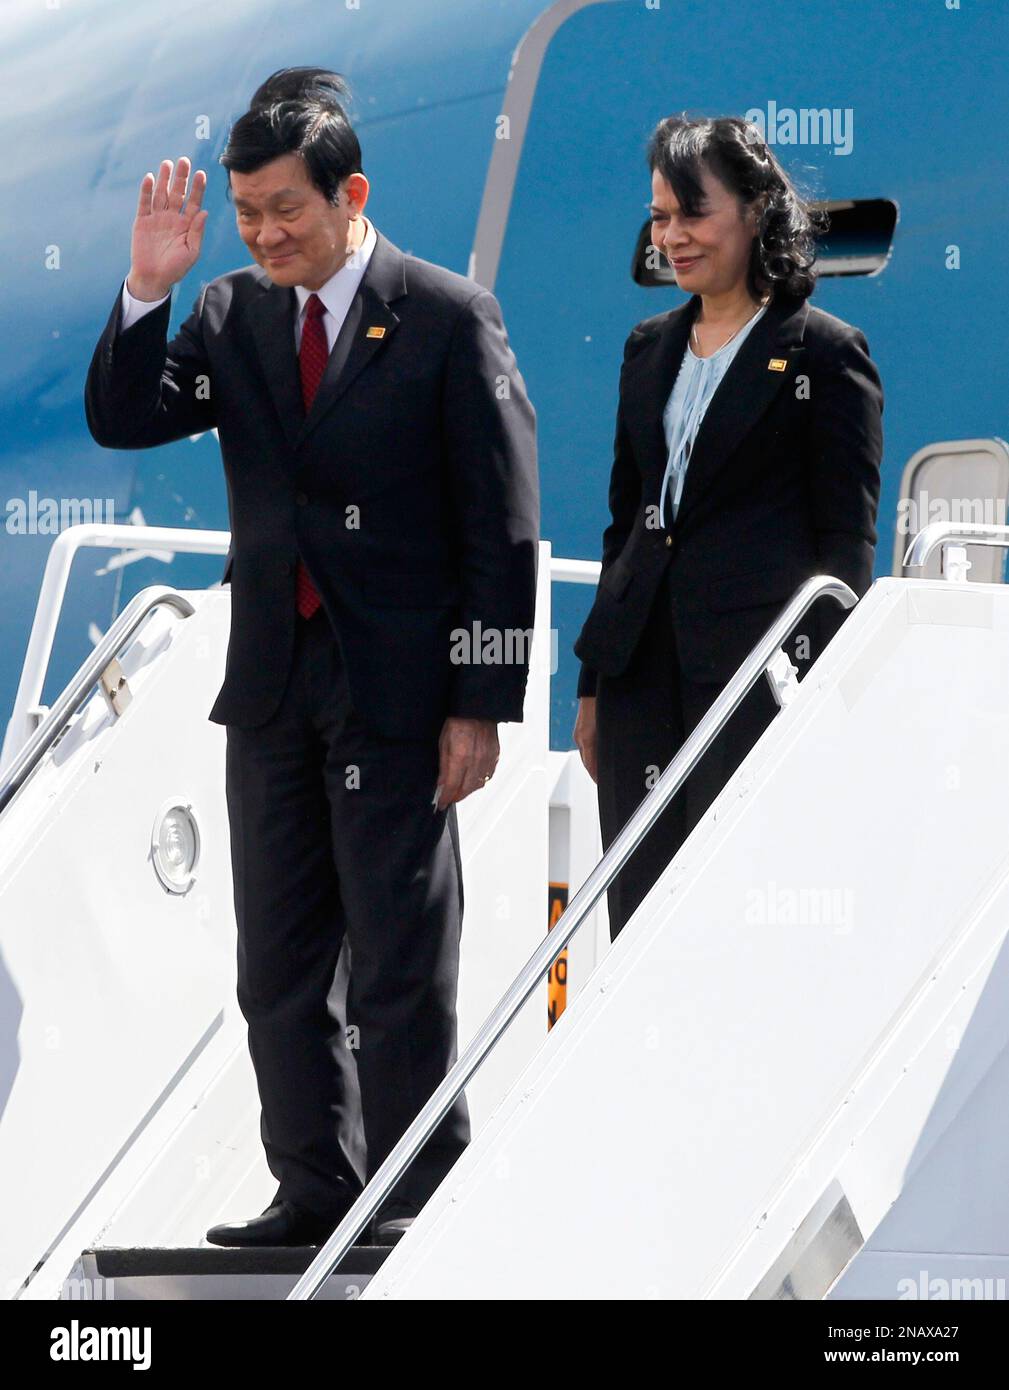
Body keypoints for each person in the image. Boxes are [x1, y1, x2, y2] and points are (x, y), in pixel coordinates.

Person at [84, 68, 539, 1246]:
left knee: (397, 965)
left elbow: (502, 525)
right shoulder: (231, 314)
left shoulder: (443, 315)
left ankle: (414, 1199)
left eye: (285, 209)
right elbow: (127, 416)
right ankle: (314, 1192)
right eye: (247, 214)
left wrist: (479, 701)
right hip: (274, 685)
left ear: (351, 195)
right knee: (277, 965)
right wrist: (148, 288)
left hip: (395, 689)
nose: (266, 233)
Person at [573, 114, 882, 940]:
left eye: (691, 214)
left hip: (753, 676)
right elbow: (623, 527)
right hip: (640, 673)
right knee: (637, 912)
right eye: (660, 216)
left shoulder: (823, 353)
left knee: (737, 912)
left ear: (753, 211)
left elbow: (843, 545)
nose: (670, 236)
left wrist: (812, 685)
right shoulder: (647, 349)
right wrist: (594, 685)